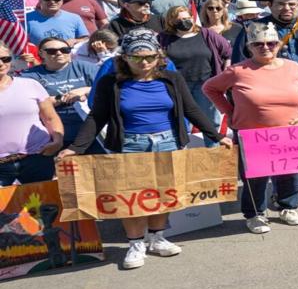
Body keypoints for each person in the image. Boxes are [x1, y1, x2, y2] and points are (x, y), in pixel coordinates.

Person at [61, 29, 229, 266]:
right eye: (137, 57)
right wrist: (76, 148)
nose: (145, 62)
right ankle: (135, 243)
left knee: (163, 193)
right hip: (131, 144)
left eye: (150, 56)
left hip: (168, 142)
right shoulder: (111, 83)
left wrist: (216, 135)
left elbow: (191, 109)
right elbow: (97, 116)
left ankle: (157, 237)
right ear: (125, 57)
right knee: (131, 197)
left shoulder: (172, 79)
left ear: (159, 56)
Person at [202, 20, 298, 233]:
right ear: (249, 47)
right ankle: (255, 214)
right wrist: (230, 112)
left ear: (278, 44)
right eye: (259, 44)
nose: (265, 47)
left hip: (289, 134)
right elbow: (210, 88)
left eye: (271, 43)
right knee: (255, 177)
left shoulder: (294, 67)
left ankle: (287, 206)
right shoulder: (238, 70)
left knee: (291, 172)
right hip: (252, 135)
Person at [157, 2, 228, 142]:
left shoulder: (206, 34)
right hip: (178, 85)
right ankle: (183, 150)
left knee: (210, 120)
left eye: (186, 18)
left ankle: (212, 148)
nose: (184, 22)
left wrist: (223, 76)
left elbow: (227, 52)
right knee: (180, 120)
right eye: (179, 20)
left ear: (192, 17)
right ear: (171, 22)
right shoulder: (163, 38)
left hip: (205, 83)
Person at [0, 40, 63, 186]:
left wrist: (57, 141)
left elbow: (50, 117)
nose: (1, 63)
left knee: (45, 207)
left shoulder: (30, 84)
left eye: (5, 59)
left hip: (37, 159)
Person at [22, 35, 97, 150]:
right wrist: (62, 98)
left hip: (90, 133)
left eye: (64, 50)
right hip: (52, 136)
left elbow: (112, 90)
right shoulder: (29, 76)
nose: (59, 53)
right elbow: (26, 105)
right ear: (41, 53)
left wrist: (87, 90)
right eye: (52, 51)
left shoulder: (87, 68)